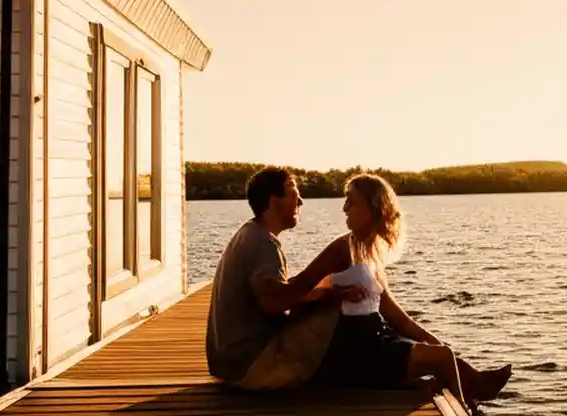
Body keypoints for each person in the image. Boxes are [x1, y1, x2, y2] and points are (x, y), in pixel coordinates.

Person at [310, 173, 513, 407]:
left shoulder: (368, 252)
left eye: (351, 201)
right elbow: (299, 288)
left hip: (378, 342)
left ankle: (473, 384)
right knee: (442, 359)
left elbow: (400, 319)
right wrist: (332, 293)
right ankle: (467, 402)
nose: (344, 208)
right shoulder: (341, 248)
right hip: (359, 353)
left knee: (441, 362)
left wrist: (440, 346)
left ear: (374, 206)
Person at [205, 166, 360, 383]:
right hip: (250, 366)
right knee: (341, 310)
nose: (300, 201)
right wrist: (326, 262)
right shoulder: (262, 242)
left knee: (333, 299)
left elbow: (275, 291)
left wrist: (327, 291)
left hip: (228, 364)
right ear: (273, 200)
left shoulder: (249, 233)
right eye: (292, 191)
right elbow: (273, 302)